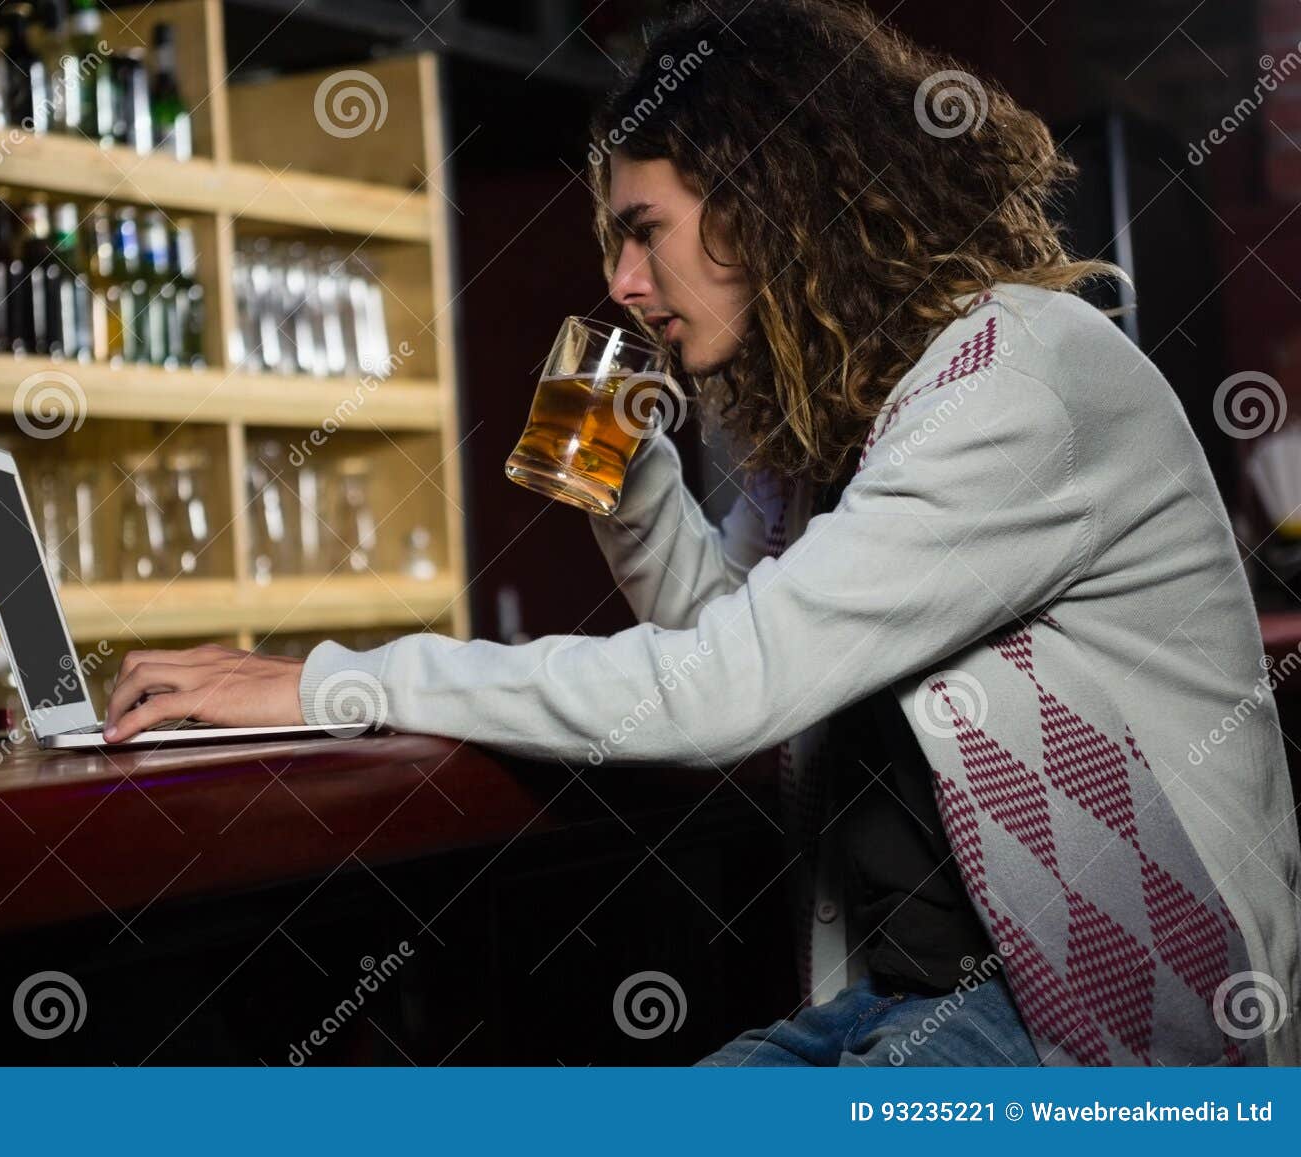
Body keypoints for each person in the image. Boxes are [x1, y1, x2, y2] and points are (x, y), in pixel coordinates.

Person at [102, 0, 1300, 1066]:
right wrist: (631, 485)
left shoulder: (1011, 382)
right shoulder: (855, 415)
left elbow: (723, 688)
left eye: (643, 229)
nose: (620, 279)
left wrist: (329, 682)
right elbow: (723, 627)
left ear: (771, 200)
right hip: (908, 1003)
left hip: (1115, 1025)